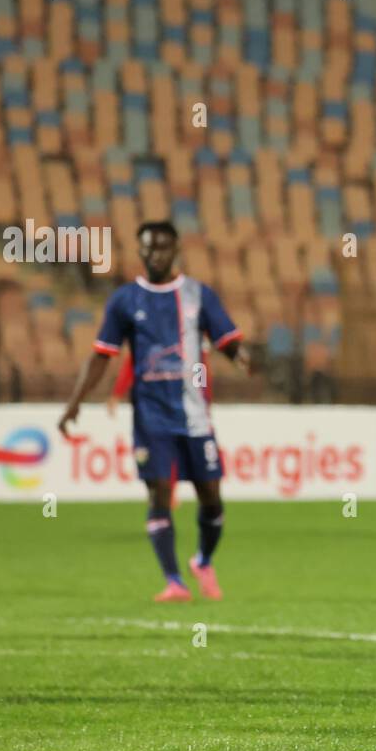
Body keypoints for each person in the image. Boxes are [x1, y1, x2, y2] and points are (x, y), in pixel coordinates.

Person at [58, 221, 249, 602]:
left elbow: (229, 341)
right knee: (160, 492)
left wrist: (244, 356)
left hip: (195, 416)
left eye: (162, 247)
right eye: (147, 247)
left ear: (176, 249)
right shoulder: (126, 300)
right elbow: (102, 355)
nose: (154, 254)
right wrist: (75, 402)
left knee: (211, 496)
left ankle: (203, 560)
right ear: (140, 250)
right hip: (151, 417)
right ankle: (174, 581)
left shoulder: (198, 295)